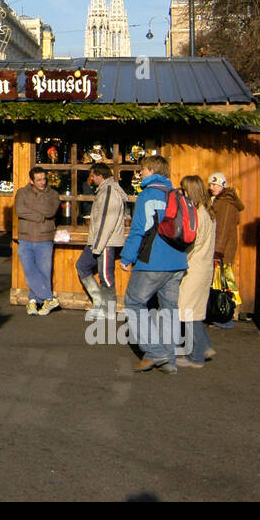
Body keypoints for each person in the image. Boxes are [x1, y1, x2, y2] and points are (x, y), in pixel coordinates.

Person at [118, 155, 188, 373]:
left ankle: (155, 352)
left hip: (152, 261)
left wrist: (127, 258)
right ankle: (170, 361)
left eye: (142, 170)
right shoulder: (178, 195)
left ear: (150, 170)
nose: (140, 174)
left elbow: (140, 230)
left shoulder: (148, 195)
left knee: (134, 302)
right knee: (169, 310)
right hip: (177, 261)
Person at [176, 175, 217, 368]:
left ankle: (196, 357)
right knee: (195, 310)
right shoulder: (208, 212)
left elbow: (191, 242)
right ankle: (205, 347)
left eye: (183, 190)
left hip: (194, 267)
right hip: (204, 266)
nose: (181, 193)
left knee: (188, 311)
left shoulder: (197, 214)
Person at [77, 162, 125, 318]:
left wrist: (98, 245)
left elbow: (106, 222)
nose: (92, 179)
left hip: (105, 242)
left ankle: (108, 309)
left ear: (100, 176)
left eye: (93, 176)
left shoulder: (109, 192)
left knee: (106, 276)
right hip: (97, 240)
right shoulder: (105, 190)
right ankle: (99, 302)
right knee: (82, 266)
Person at [14, 167, 62, 315]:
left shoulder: (52, 194)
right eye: (39, 180)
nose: (43, 182)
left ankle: (34, 301)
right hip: (25, 237)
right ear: (32, 181)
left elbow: (50, 211)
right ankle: (49, 298)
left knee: (44, 271)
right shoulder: (22, 192)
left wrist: (31, 210)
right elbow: (19, 210)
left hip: (44, 237)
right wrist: (39, 216)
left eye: (44, 179)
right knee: (29, 271)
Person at [207, 172, 243, 327]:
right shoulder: (218, 200)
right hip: (218, 247)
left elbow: (224, 228)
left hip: (222, 249)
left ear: (222, 185)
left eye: (215, 184)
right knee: (220, 280)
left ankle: (226, 313)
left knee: (224, 280)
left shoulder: (226, 203)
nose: (212, 187)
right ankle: (219, 313)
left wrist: (218, 250)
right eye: (210, 184)